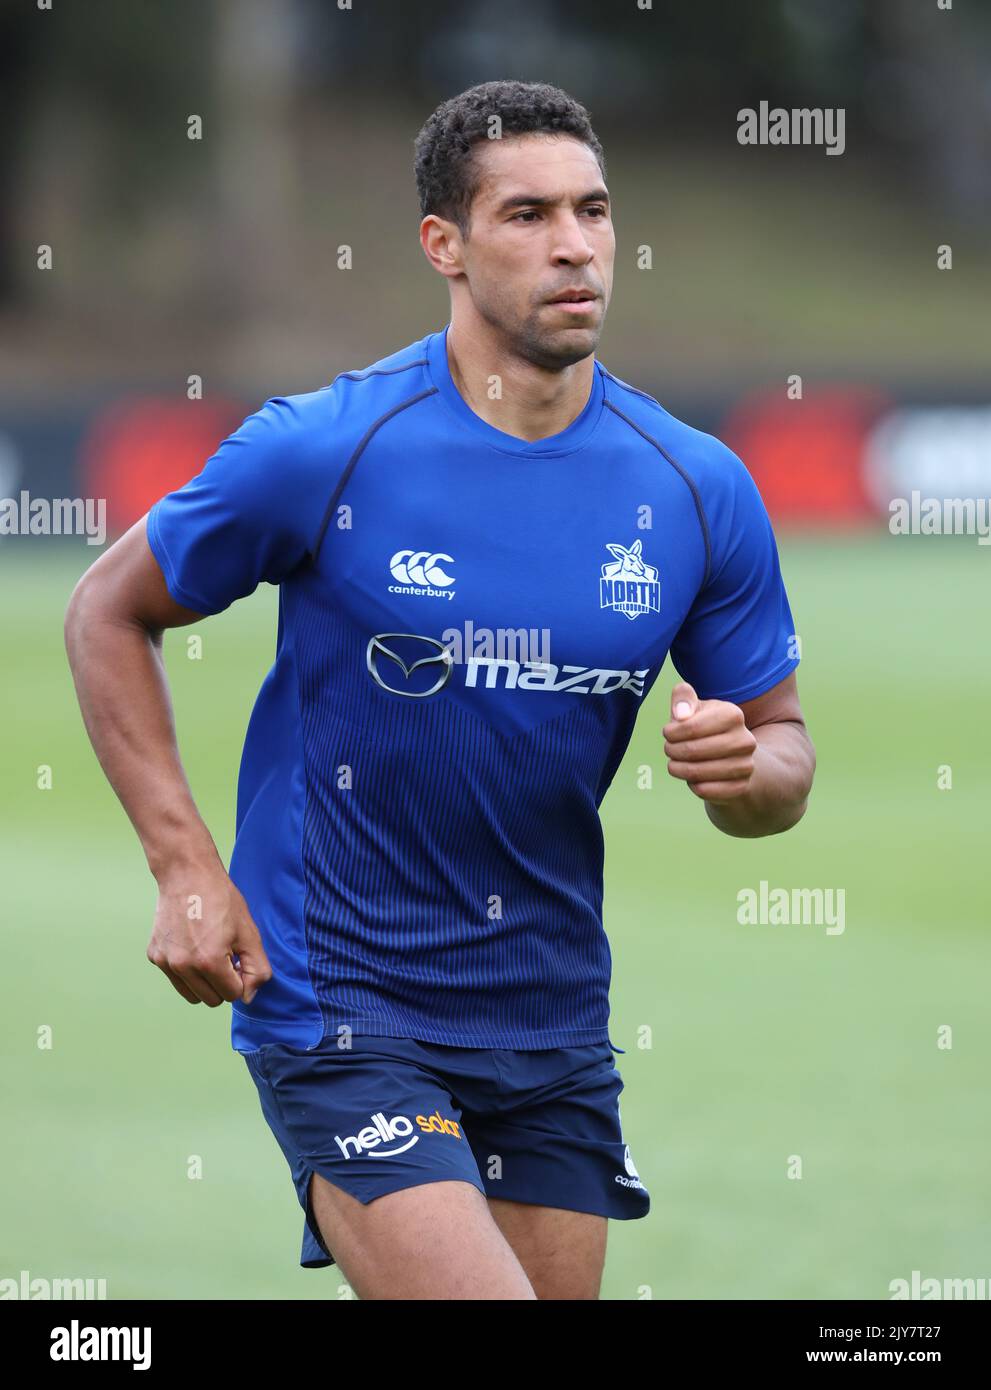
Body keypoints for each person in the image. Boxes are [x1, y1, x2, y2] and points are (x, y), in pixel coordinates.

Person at [65, 80, 815, 1300]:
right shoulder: (328, 445)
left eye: (592, 209)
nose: (573, 244)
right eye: (526, 214)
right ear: (444, 246)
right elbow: (108, 606)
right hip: (340, 993)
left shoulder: (694, 485)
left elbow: (782, 758)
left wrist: (747, 775)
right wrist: (187, 867)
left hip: (550, 1013)